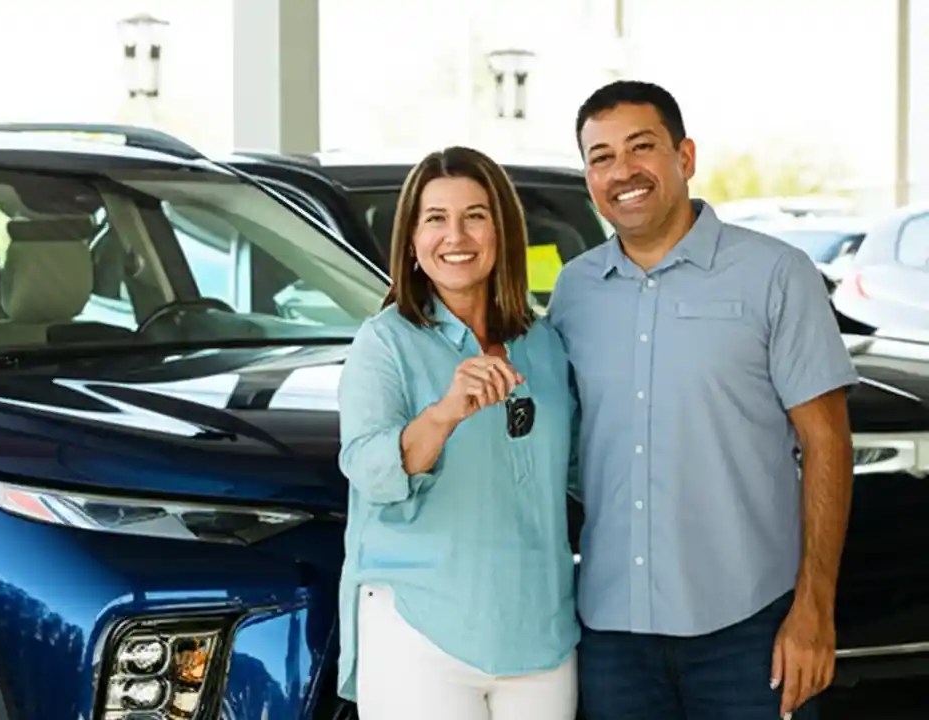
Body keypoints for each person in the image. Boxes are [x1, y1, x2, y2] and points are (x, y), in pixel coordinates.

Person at [548, 80, 857, 720]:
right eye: (600, 156)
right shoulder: (574, 292)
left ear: (684, 157)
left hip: (750, 628)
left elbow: (827, 442)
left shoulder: (776, 273)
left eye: (641, 147)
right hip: (612, 632)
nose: (622, 171)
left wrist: (815, 608)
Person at [336, 146, 579, 719]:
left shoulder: (544, 344)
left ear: (502, 231)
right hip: (420, 631)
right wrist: (445, 412)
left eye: (475, 215)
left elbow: (580, 472)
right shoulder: (385, 342)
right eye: (436, 219)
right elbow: (371, 471)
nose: (456, 235)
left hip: (540, 633)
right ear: (413, 240)